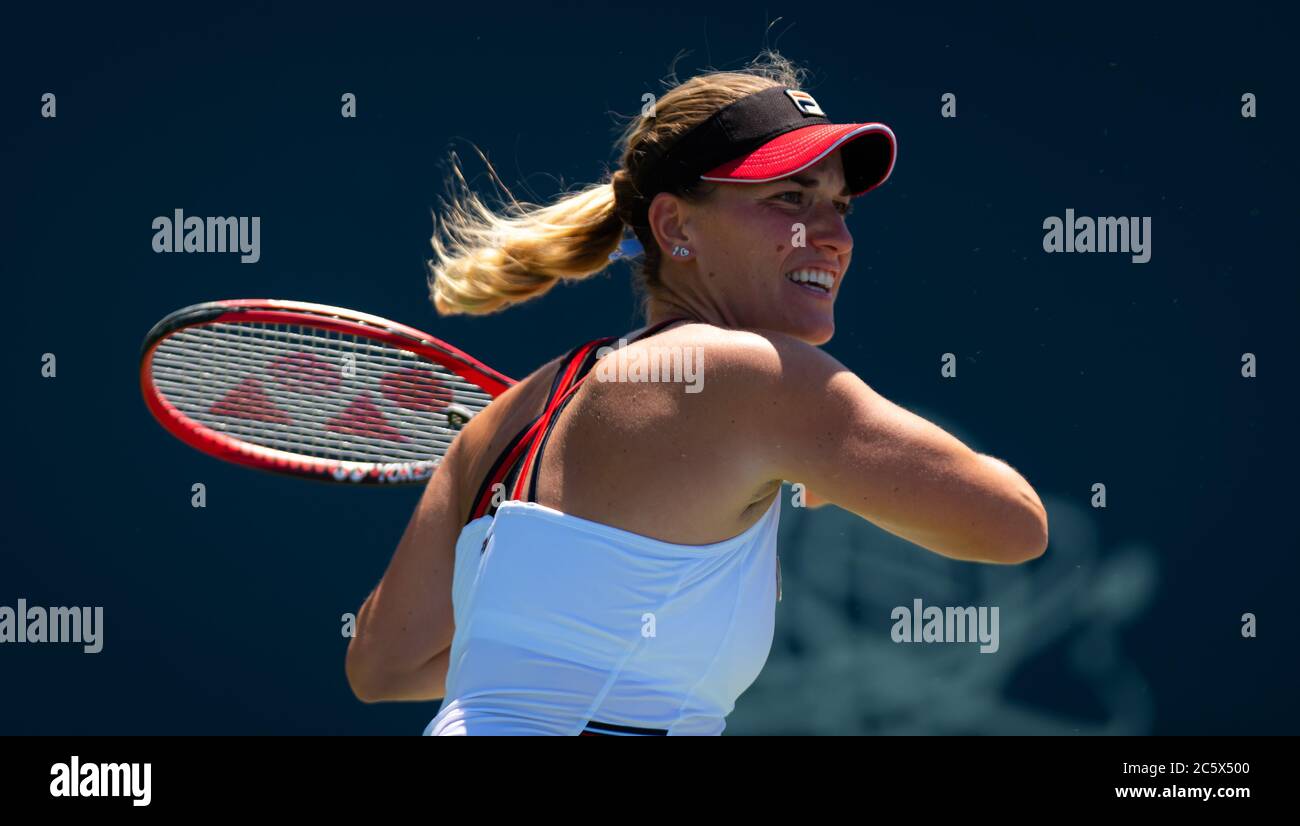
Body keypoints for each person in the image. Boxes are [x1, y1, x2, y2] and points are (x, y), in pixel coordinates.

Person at [344, 51, 1048, 735]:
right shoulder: (758, 379)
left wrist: (558, 620)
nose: (833, 236)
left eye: (840, 206)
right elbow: (1015, 522)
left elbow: (383, 666)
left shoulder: (503, 421)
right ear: (676, 226)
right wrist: (837, 460)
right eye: (791, 200)